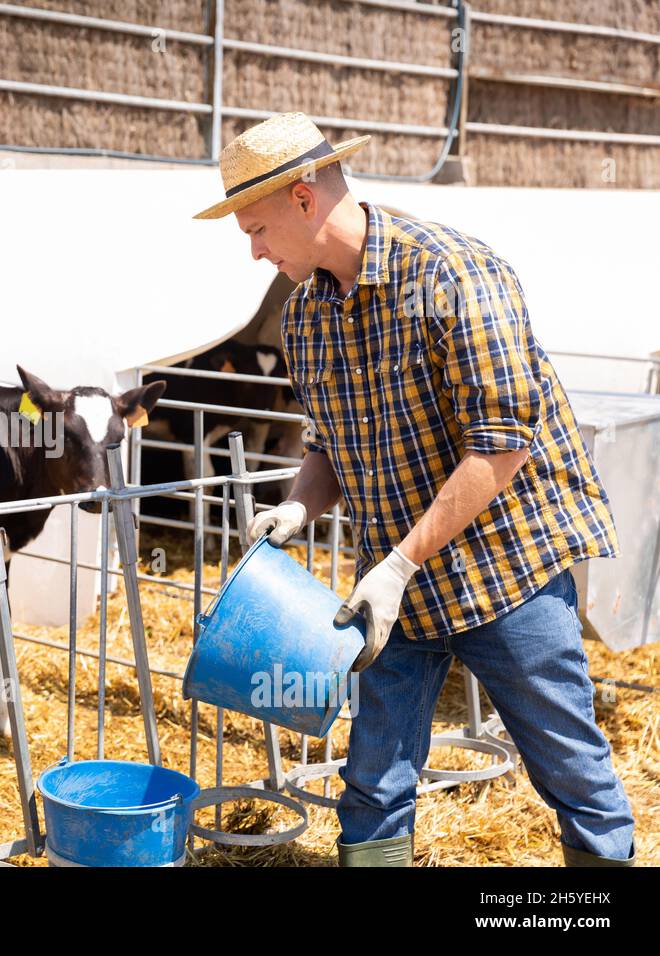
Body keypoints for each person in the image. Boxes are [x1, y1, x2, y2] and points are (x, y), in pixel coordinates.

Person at [194, 111, 635, 867]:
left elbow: (500, 448)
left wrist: (399, 564)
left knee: (568, 765)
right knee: (372, 780)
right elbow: (329, 441)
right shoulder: (305, 318)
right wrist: (301, 504)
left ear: (304, 199)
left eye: (256, 230)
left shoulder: (452, 274)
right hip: (392, 588)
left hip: (506, 570)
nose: (256, 252)